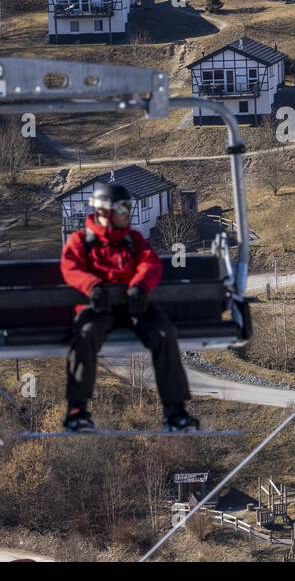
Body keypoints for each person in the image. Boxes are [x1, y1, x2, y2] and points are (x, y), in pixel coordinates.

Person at [59, 181, 198, 432]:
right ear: (105, 212)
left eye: (128, 209)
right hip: (98, 307)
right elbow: (70, 268)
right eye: (123, 209)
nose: (128, 215)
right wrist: (92, 286)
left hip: (135, 306)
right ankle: (77, 409)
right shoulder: (82, 241)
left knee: (164, 333)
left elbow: (150, 264)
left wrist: (140, 286)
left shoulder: (133, 240)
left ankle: (175, 410)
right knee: (85, 335)